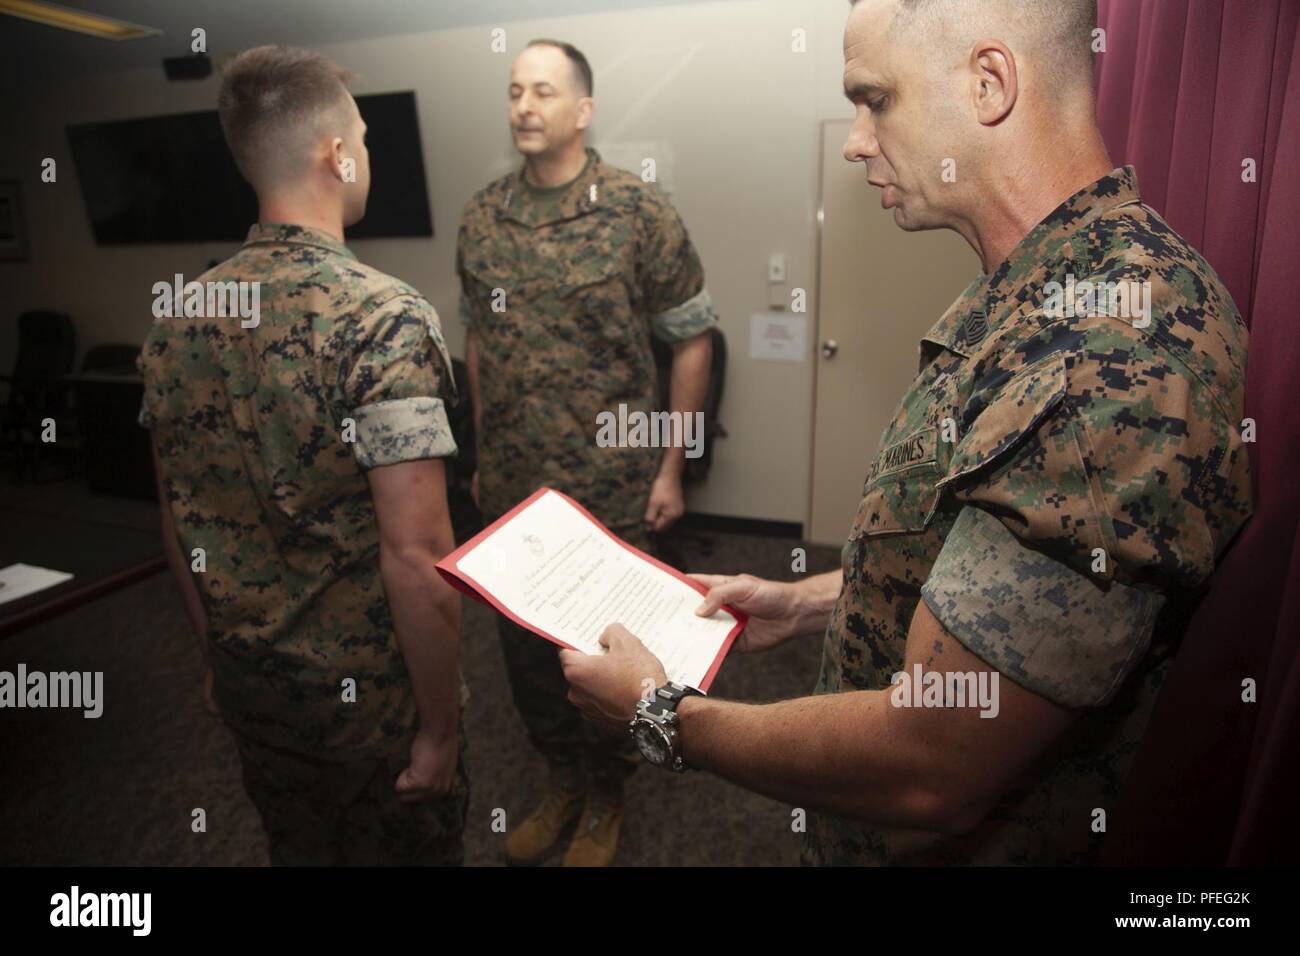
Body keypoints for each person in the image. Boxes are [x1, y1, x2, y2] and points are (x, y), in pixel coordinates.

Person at [561, 0, 1253, 866]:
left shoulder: (1109, 347)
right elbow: (981, 563)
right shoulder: (1034, 289)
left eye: (875, 99)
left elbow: (937, 765)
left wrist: (662, 715)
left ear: (990, 84)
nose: (856, 141)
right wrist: (807, 602)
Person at [138, 45, 467, 865]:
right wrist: (441, 728)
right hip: (371, 709)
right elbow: (417, 555)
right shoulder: (383, 319)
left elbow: (179, 524)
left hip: (256, 693)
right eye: (364, 139)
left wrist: (218, 661)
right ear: (337, 154)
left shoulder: (175, 320)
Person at [457, 38, 716, 866]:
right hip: (514, 488)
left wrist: (672, 465)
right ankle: (560, 781)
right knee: (527, 658)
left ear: (583, 110)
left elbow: (692, 338)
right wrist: (481, 448)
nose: (524, 106)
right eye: (514, 91)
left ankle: (607, 794)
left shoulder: (636, 210)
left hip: (610, 486)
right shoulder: (481, 218)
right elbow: (477, 340)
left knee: (606, 656)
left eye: (543, 91)